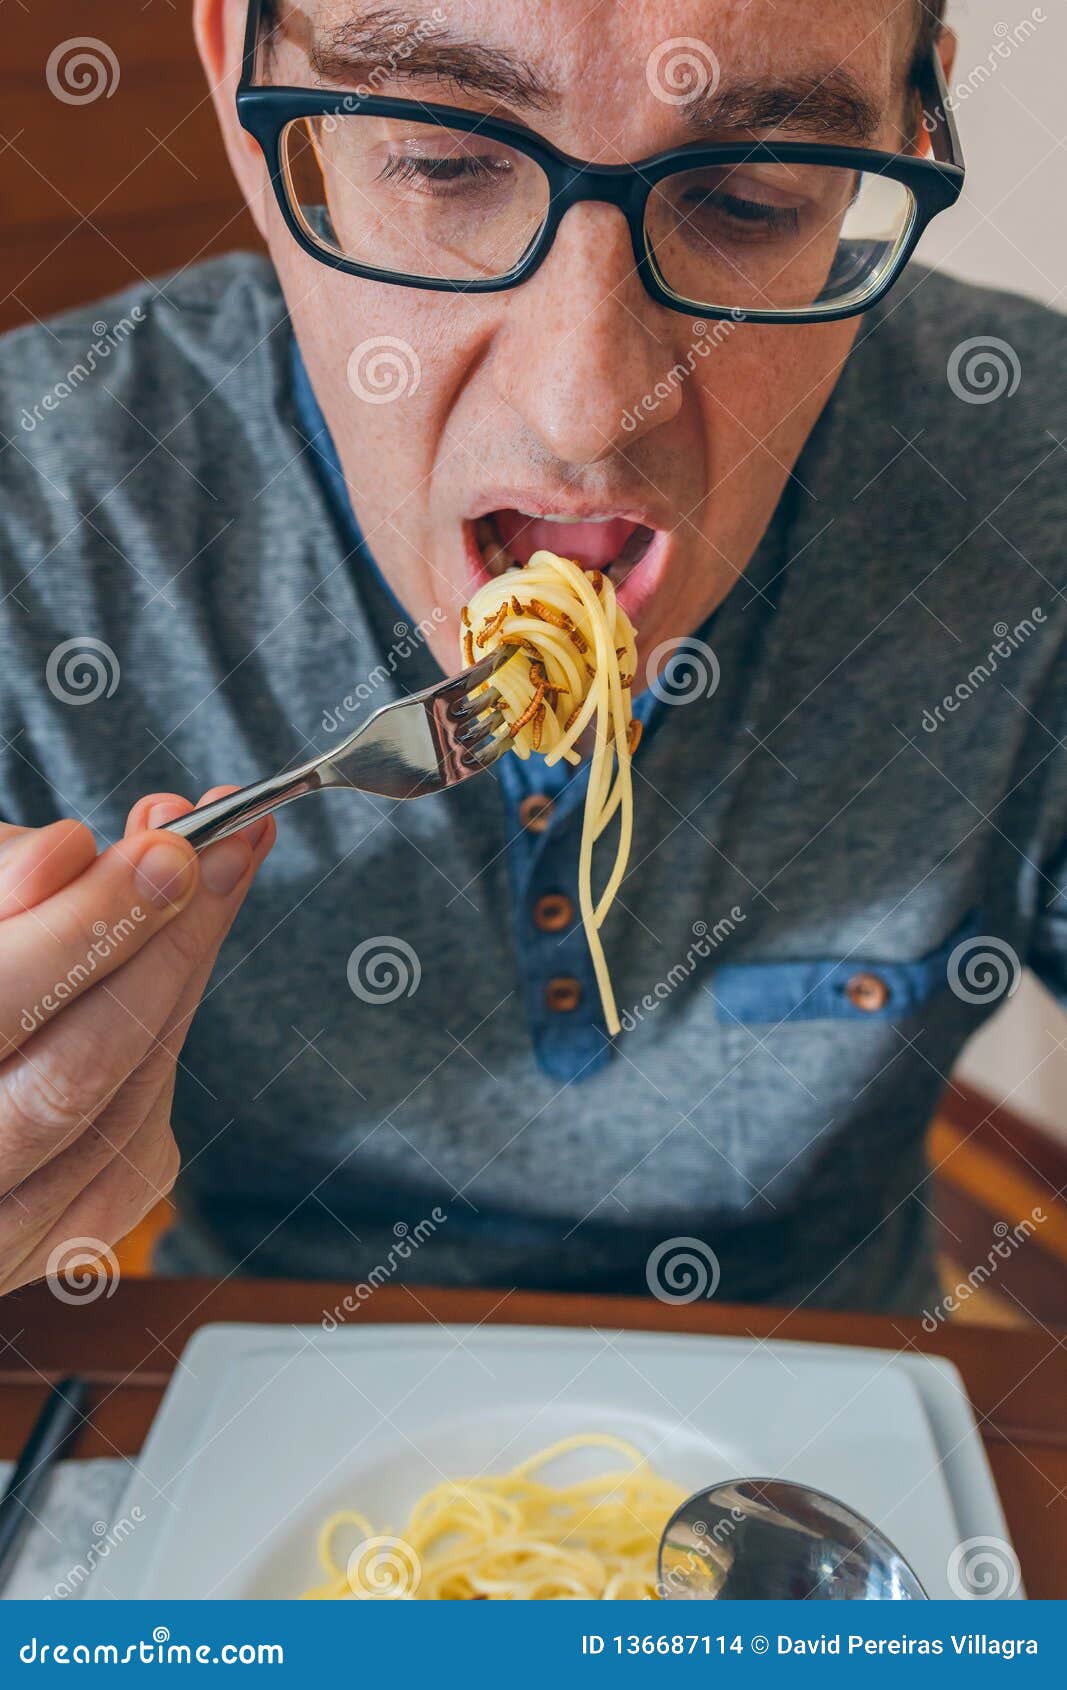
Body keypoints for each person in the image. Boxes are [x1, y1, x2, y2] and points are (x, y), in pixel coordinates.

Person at [0, 0, 1063, 1310]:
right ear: (236, 82)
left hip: (841, 1413)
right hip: (249, 1379)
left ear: (909, 126)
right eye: (443, 162)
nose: (582, 407)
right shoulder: (34, 512)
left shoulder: (1037, 473)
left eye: (752, 196)